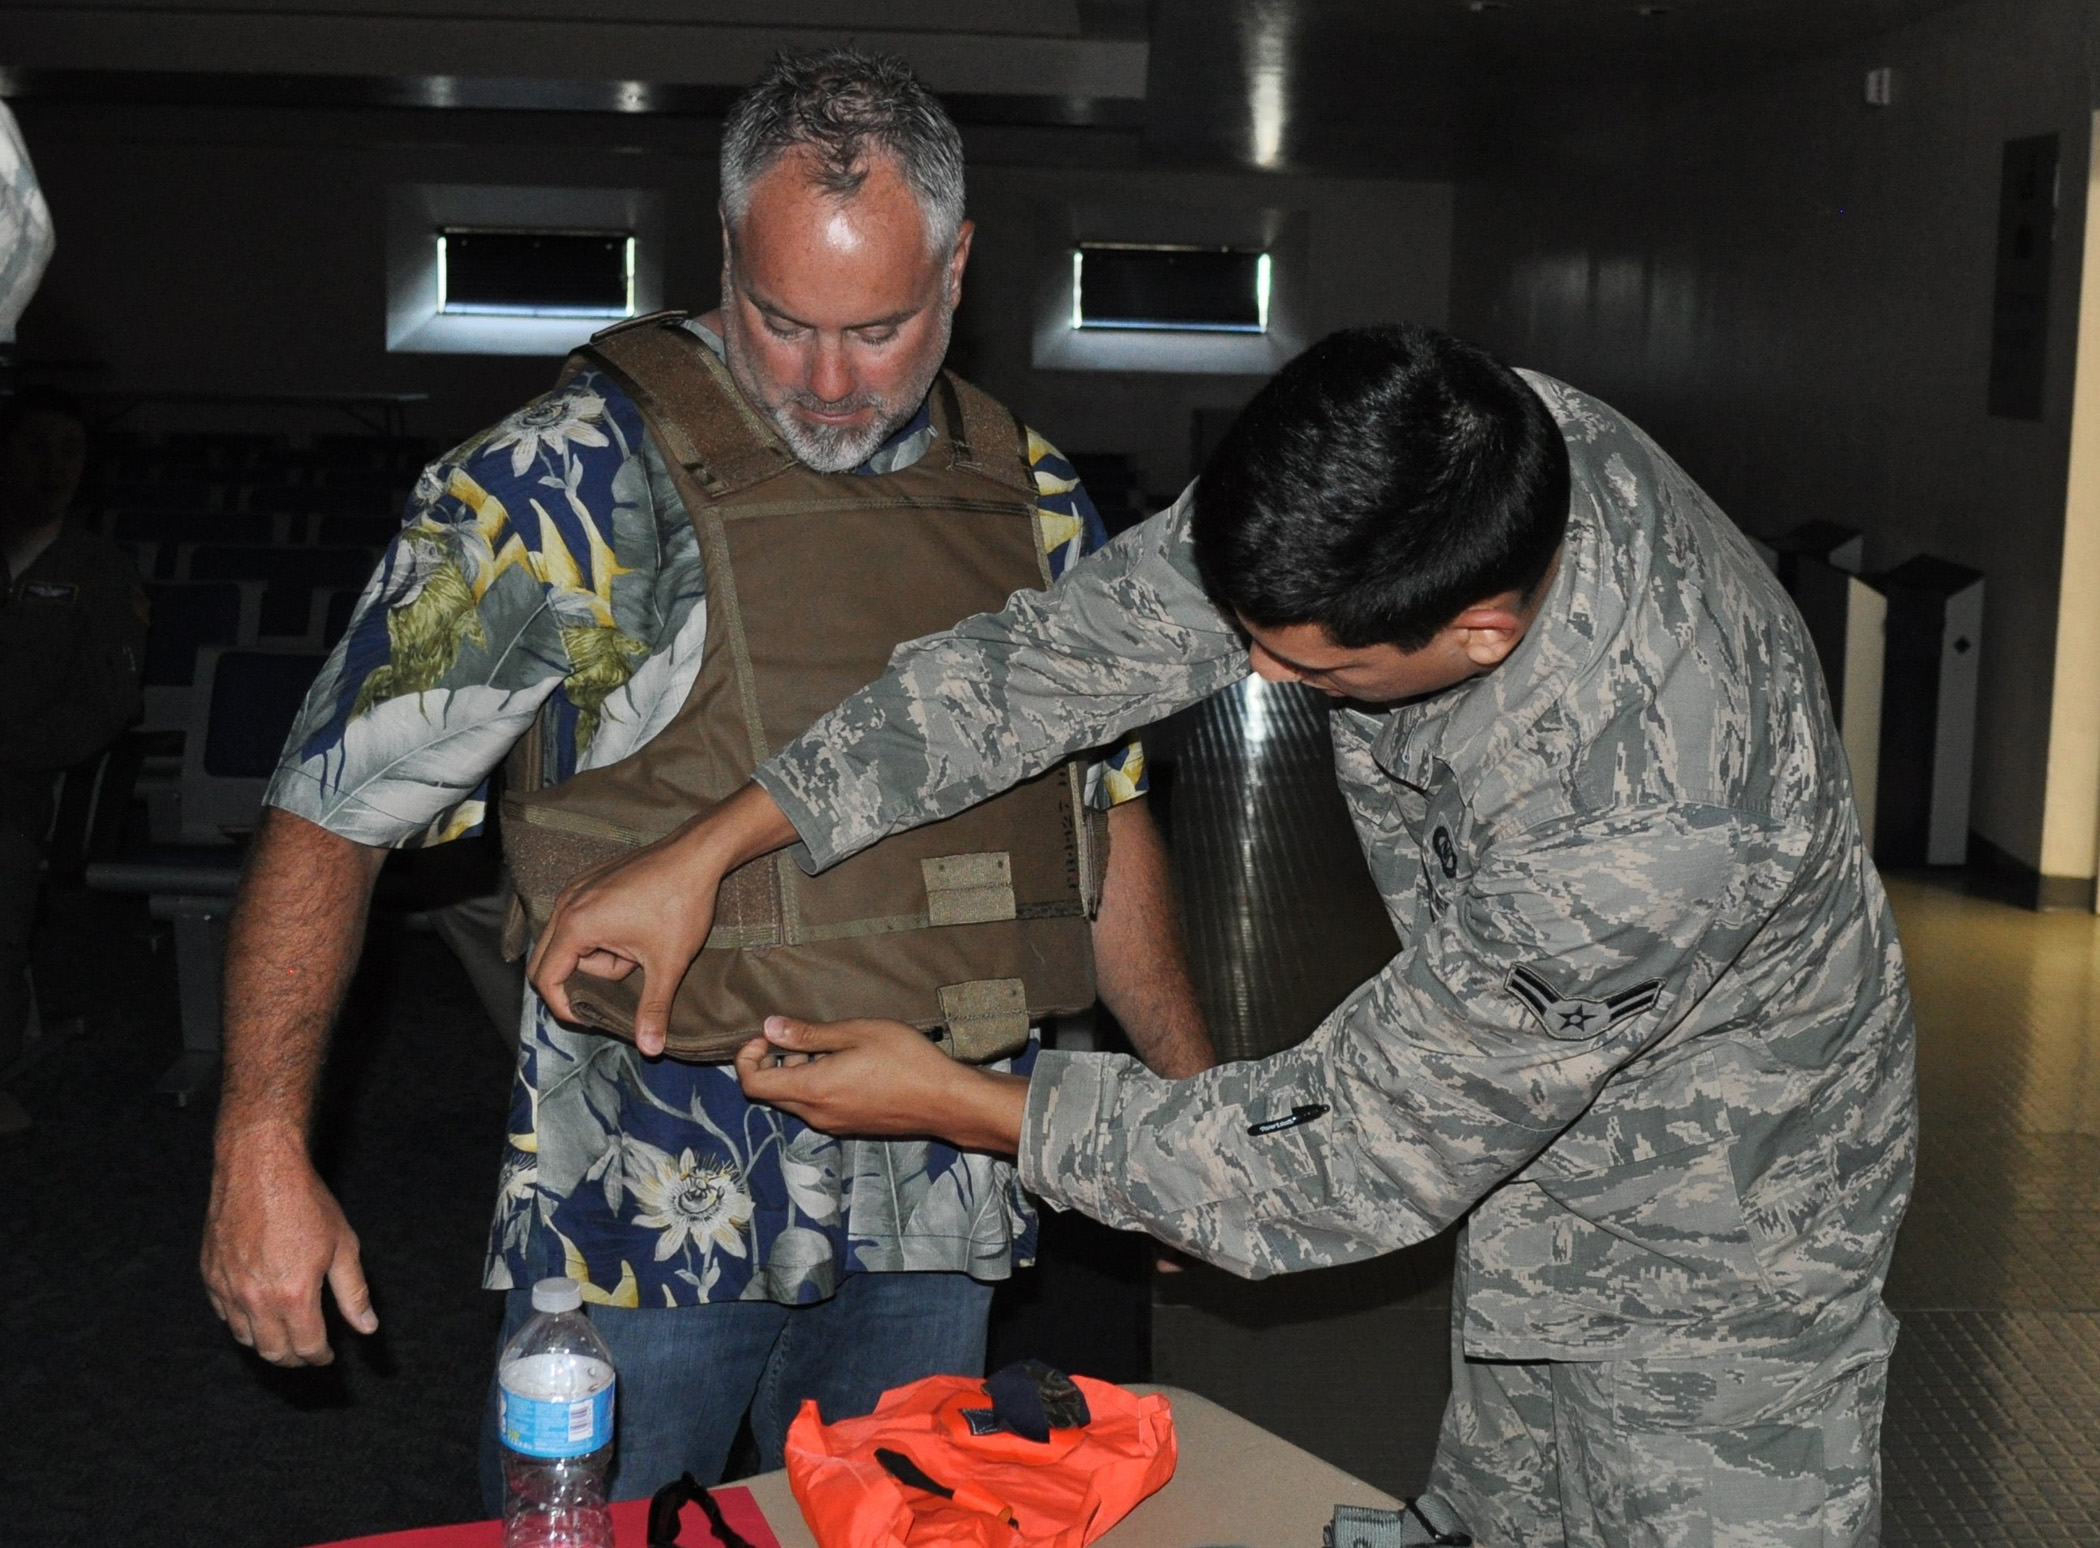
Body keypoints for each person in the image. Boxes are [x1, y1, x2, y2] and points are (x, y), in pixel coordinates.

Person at [530, 325, 1918, 1546]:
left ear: (1483, 631)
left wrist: (965, 1105)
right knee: (1507, 1510)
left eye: (1310, 671)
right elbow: (1047, 664)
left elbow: (1343, 1156)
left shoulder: (1651, 821)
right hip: (1534, 1154)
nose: (1253, 677)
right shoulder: (1448, 456)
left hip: (1729, 1225)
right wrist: (710, 847)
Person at [197, 48, 1212, 1504]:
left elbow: (1096, 825)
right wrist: (258, 1146)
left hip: (940, 1180)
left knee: (902, 1535)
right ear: (722, 251)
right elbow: (331, 814)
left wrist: (1179, 1107)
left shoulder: (1033, 500)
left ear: (961, 267)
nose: (828, 383)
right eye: (780, 320)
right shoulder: (562, 488)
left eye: (879, 329)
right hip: (645, 1200)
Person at [0, 387, 147, 1135]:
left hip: (25, 783)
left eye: (70, 451)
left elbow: (105, 702)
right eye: (34, 446)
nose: (52, 466)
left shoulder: (99, 569)